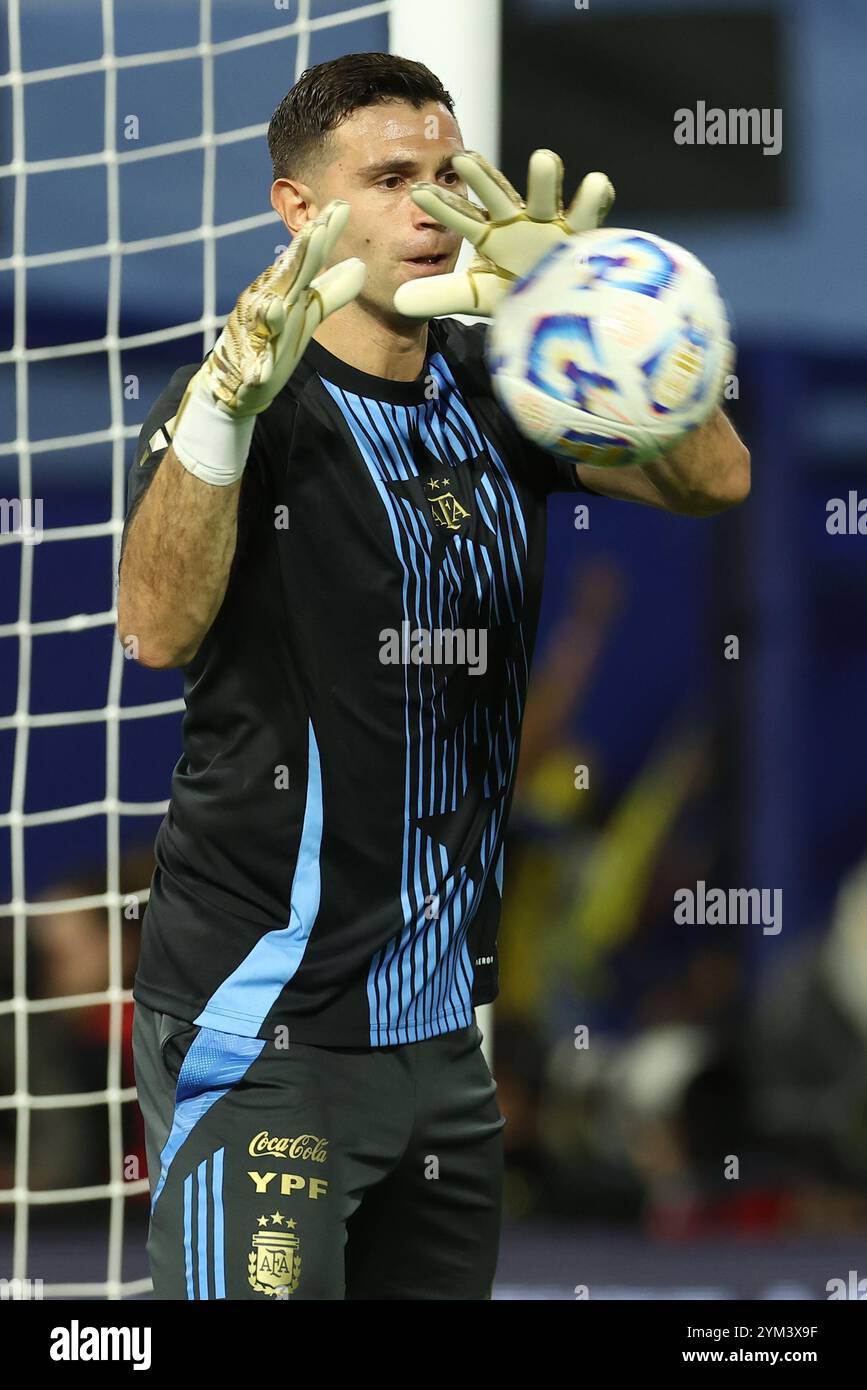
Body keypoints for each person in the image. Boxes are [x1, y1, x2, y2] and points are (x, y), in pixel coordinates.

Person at [116, 51, 750, 1301]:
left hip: (445, 1045)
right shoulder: (246, 402)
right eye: (391, 177)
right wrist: (224, 411)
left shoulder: (498, 384)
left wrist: (585, 303)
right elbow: (153, 626)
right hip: (268, 1035)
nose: (430, 204)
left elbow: (715, 476)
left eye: (449, 173)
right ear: (299, 211)